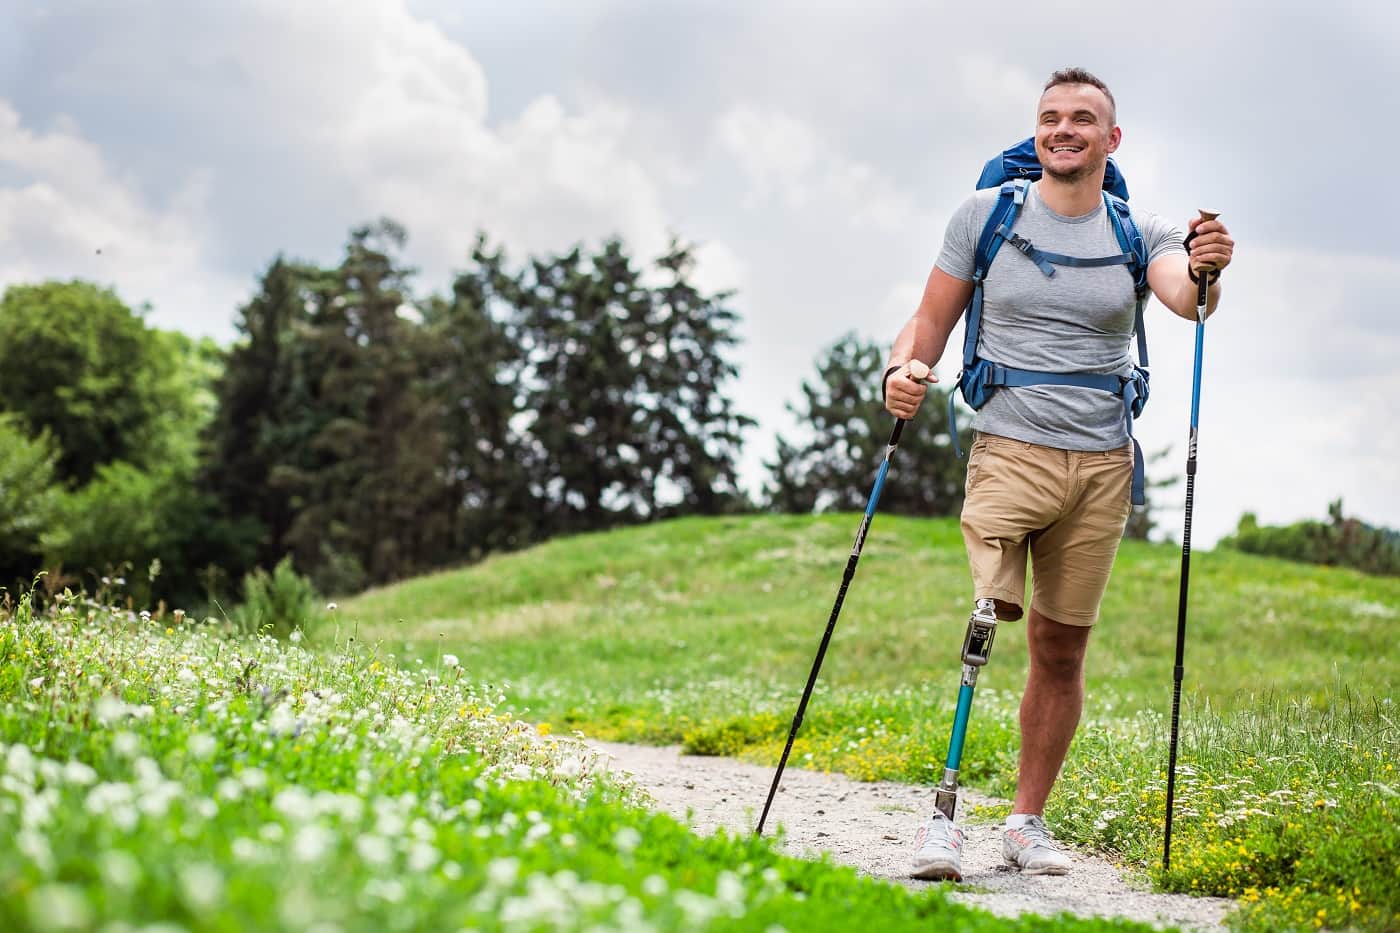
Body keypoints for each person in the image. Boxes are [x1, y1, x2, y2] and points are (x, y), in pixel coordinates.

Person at [882, 66, 1234, 880]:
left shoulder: (1138, 229)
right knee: (987, 619)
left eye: (1081, 118)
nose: (1063, 129)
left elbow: (1188, 298)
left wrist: (1209, 267)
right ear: (1036, 131)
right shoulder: (986, 216)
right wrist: (901, 370)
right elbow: (929, 319)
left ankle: (1025, 821)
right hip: (1008, 447)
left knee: (1061, 647)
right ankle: (943, 821)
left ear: (1112, 139)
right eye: (1050, 117)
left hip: (1104, 463)